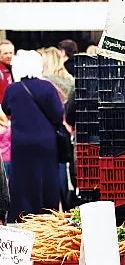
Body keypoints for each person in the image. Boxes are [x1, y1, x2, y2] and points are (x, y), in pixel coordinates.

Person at [1, 50, 64, 222]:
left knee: (22, 178)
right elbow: (58, 114)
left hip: (21, 142)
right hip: (46, 141)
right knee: (47, 176)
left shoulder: (13, 89)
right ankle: (47, 213)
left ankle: (23, 215)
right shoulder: (48, 87)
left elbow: (6, 108)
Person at [41, 47, 76, 211]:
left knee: (53, 168)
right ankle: (66, 203)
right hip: (67, 130)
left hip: (50, 128)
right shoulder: (70, 80)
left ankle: (54, 207)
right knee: (65, 165)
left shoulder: (45, 81)